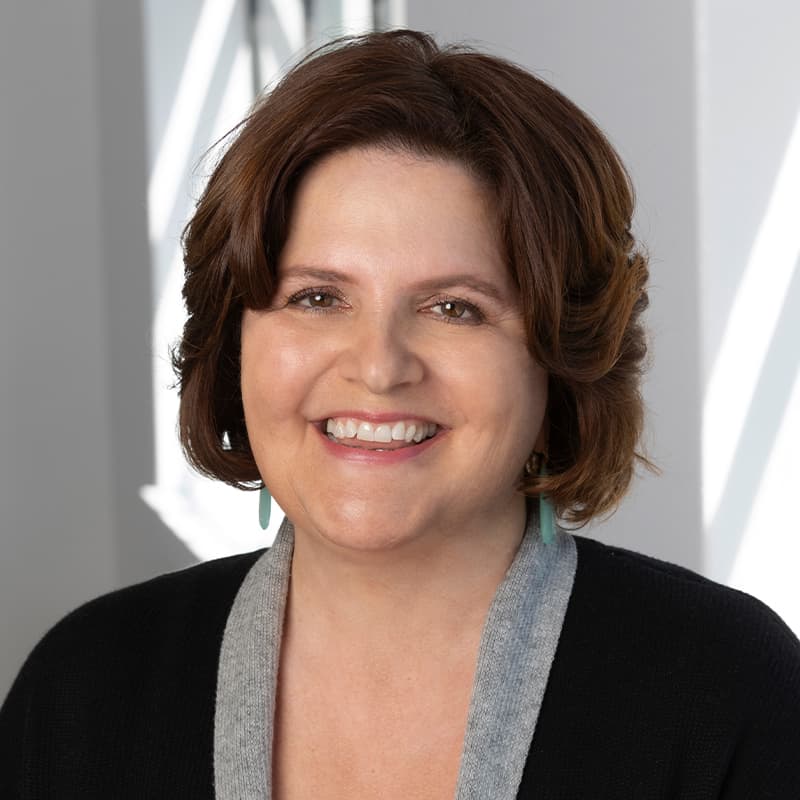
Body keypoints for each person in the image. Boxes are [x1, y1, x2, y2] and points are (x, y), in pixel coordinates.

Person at [1, 29, 799, 799]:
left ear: (562, 358)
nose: (379, 367)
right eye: (316, 297)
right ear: (233, 339)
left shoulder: (727, 694)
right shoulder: (84, 688)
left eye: (455, 307)